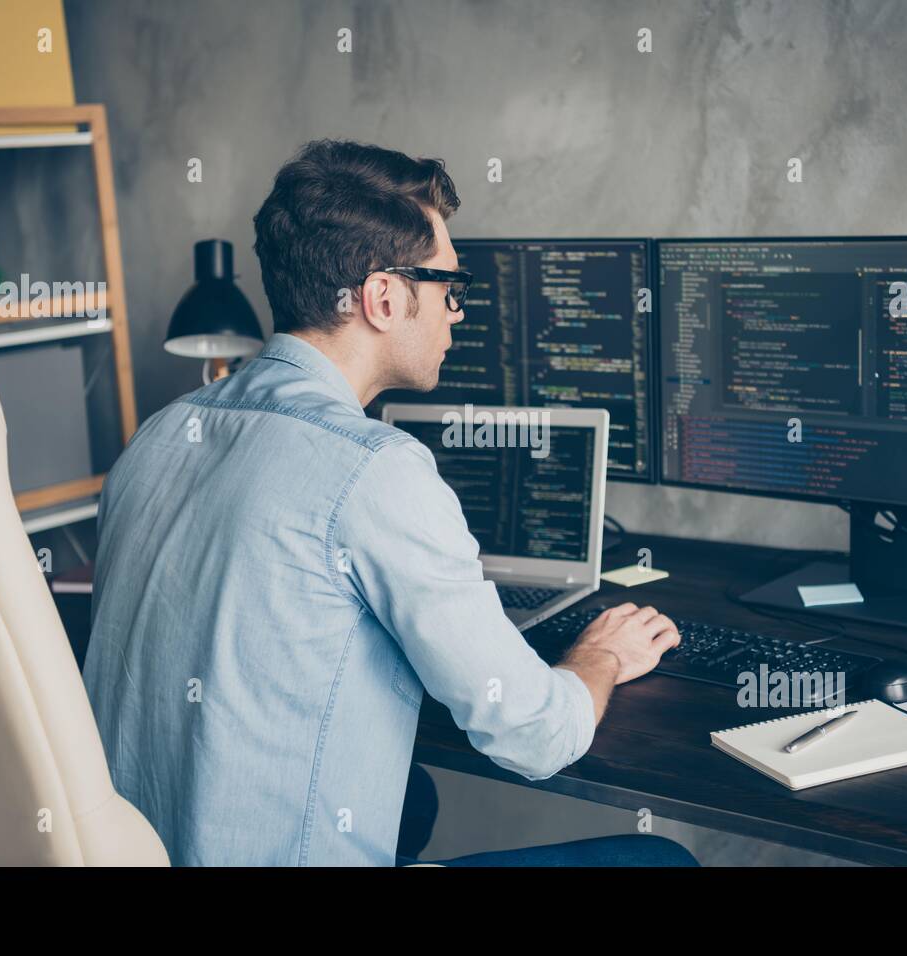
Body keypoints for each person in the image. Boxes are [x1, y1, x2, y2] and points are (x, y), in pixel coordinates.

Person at [82, 139, 692, 866]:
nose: (455, 316)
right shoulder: (376, 470)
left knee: (412, 797)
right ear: (383, 298)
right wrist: (599, 657)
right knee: (663, 863)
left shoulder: (157, 436)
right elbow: (536, 737)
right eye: (448, 291)